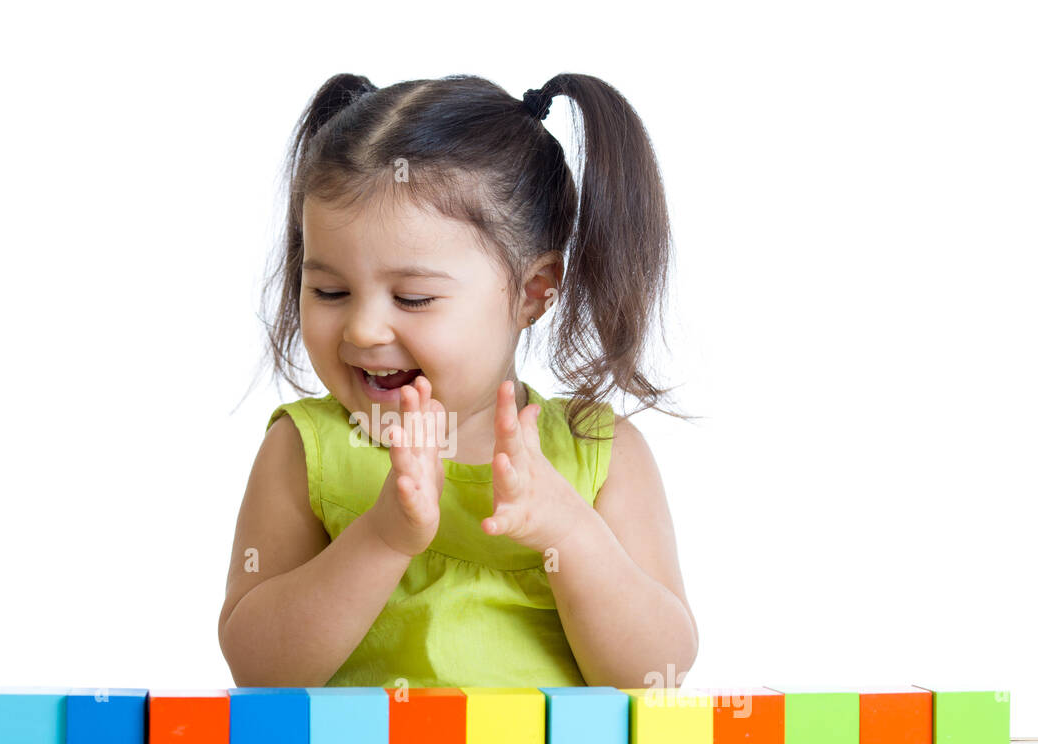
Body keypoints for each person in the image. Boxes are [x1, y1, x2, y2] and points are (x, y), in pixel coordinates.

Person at [219, 73, 698, 690]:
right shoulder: (304, 449)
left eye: (413, 298)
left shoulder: (600, 455)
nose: (363, 329)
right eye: (329, 291)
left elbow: (656, 673)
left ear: (533, 290)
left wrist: (571, 534)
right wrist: (383, 537)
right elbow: (258, 668)